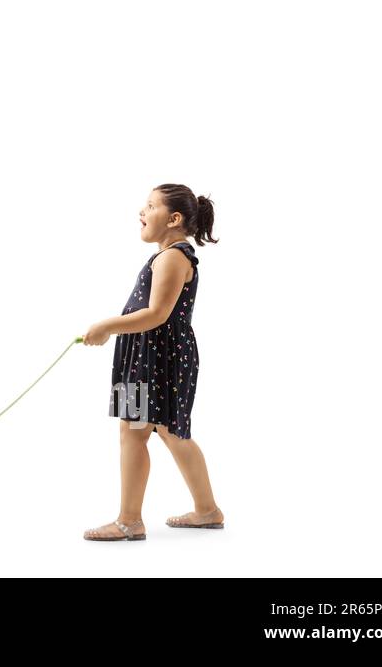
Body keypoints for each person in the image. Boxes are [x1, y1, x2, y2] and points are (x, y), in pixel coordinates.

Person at [81, 184, 223, 541]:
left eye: (150, 206)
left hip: (157, 356)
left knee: (149, 431)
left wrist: (107, 325)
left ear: (173, 219)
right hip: (146, 354)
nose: (141, 212)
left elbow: (158, 314)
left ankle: (131, 519)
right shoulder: (170, 256)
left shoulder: (174, 257)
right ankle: (204, 510)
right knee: (152, 431)